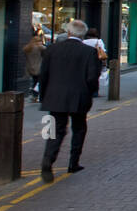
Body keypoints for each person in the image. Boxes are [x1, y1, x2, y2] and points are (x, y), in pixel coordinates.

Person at [38, 19, 102, 182]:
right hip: (79, 97)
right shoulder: (89, 52)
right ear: (83, 35)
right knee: (79, 128)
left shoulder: (52, 49)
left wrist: (44, 95)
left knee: (54, 130)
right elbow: (92, 77)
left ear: (68, 33)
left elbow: (43, 75)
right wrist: (91, 93)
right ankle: (73, 163)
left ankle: (48, 160)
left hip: (55, 97)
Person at [22, 31, 46, 101]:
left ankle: (34, 96)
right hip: (39, 67)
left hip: (30, 67)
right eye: (40, 41)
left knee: (35, 82)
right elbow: (47, 50)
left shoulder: (27, 48)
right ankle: (36, 95)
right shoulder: (39, 47)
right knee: (38, 83)